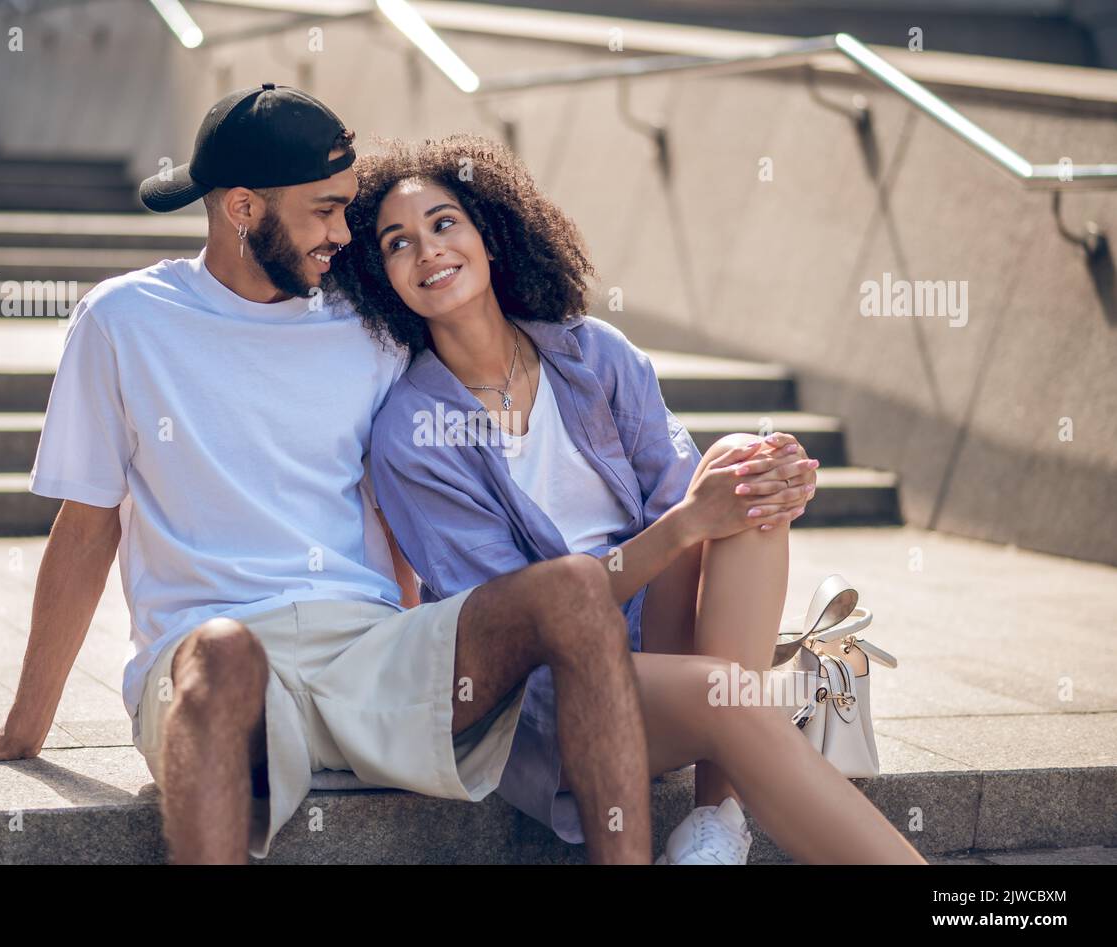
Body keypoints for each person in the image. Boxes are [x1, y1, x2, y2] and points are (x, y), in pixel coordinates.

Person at [0, 87, 667, 865]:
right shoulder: (124, 322)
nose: (345, 234)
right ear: (243, 208)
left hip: (371, 656)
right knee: (221, 650)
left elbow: (392, 501)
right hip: (215, 667)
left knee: (576, 586)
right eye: (324, 211)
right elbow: (86, 528)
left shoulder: (367, 323)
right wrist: (24, 730)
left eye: (348, 210)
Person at [327, 133, 926, 864]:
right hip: (554, 692)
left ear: (490, 234)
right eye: (397, 243)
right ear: (379, 274)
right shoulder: (410, 434)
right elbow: (522, 619)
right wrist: (684, 527)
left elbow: (693, 508)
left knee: (740, 461)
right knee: (723, 688)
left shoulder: (592, 353)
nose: (427, 252)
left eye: (444, 223)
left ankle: (712, 821)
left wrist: (771, 479)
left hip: (662, 635)